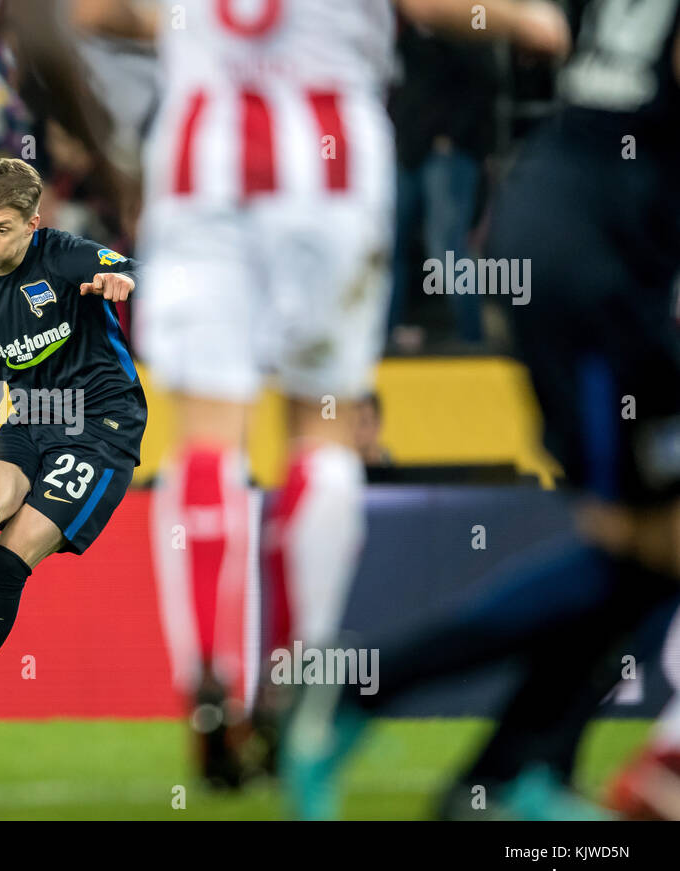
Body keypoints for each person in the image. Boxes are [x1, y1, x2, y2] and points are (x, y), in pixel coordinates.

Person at [134, 0, 571, 788]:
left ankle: (210, 673)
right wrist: (521, 17)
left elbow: (97, 12)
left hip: (203, 161)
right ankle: (291, 687)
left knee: (205, 437)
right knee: (322, 434)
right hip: (329, 174)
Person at [283, 0, 680, 820]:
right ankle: (380, 697)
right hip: (597, 255)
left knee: (650, 547)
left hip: (584, 231)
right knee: (638, 540)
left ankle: (504, 776)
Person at [0, 157, 147, 721]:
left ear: (32, 224)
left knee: (6, 565)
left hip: (99, 429)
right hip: (27, 420)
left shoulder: (65, 255)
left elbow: (136, 267)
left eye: (0, 228)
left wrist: (122, 279)